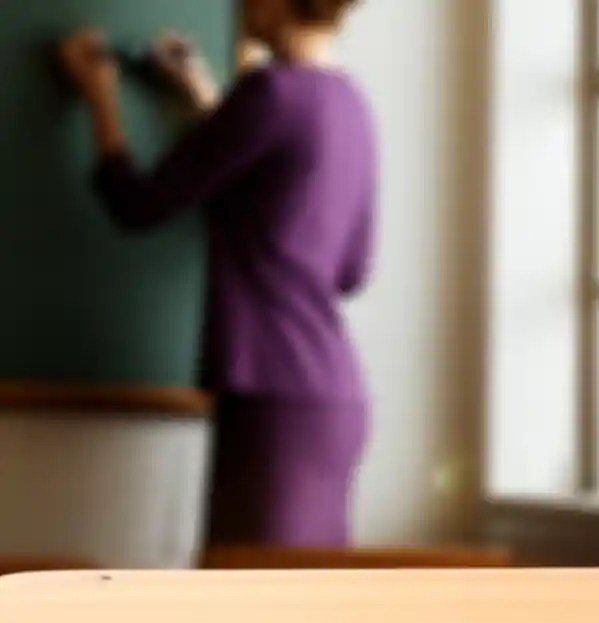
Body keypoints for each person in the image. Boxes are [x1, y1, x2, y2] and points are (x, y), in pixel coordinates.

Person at [58, 0, 376, 549]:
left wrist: (99, 97)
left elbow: (139, 203)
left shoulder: (269, 92)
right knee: (294, 609)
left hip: (270, 392)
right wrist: (202, 95)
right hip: (332, 400)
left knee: (246, 603)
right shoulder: (350, 104)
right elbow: (351, 269)